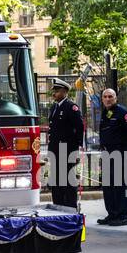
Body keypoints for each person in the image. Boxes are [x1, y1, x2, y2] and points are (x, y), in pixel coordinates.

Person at [97, 88, 127, 226]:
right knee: (108, 186)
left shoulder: (123, 112)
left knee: (121, 186)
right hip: (107, 153)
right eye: (105, 97)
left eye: (110, 96)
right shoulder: (106, 112)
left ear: (116, 98)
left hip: (121, 152)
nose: (108, 99)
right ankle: (112, 214)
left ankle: (122, 216)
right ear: (102, 99)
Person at [46, 77, 84, 208]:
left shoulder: (71, 107)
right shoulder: (54, 107)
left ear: (64, 91)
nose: (54, 93)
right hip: (56, 150)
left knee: (68, 180)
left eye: (56, 91)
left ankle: (70, 207)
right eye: (54, 91)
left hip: (68, 150)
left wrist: (77, 147)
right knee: (56, 180)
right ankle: (58, 205)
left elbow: (79, 127)